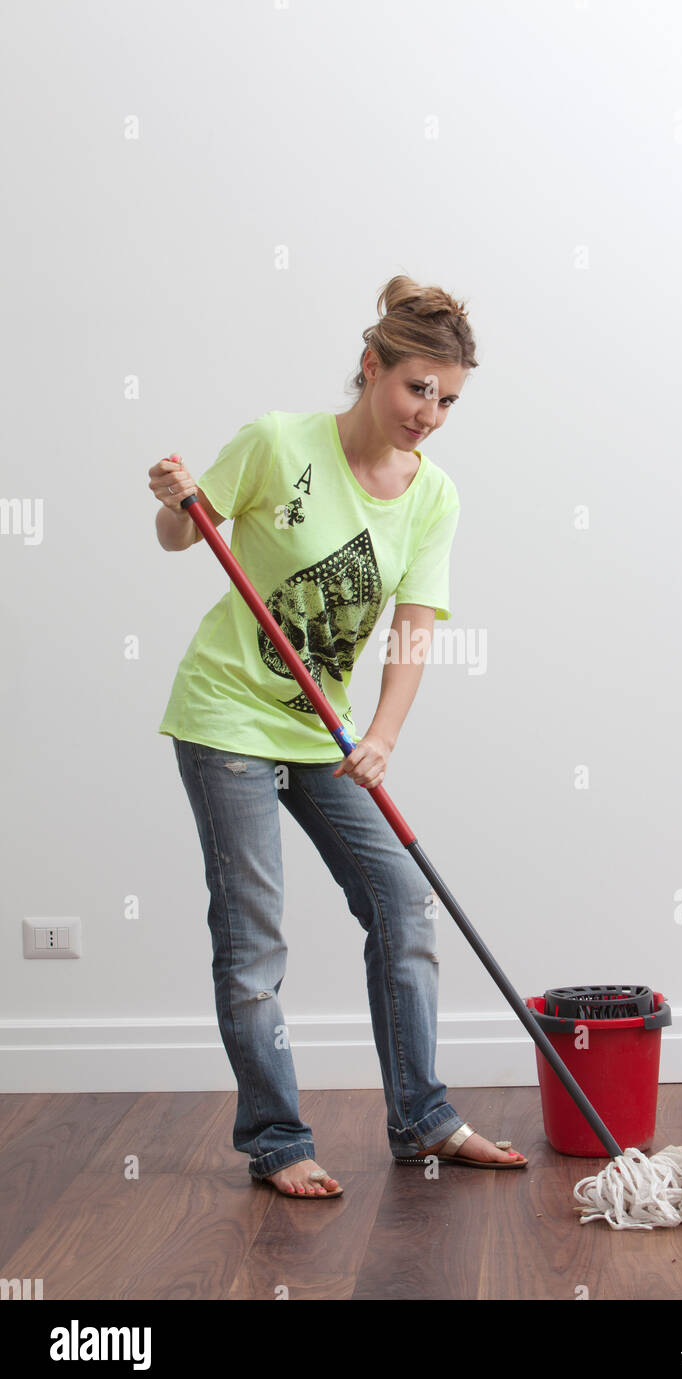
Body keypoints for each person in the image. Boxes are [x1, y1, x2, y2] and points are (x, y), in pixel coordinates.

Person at [149, 274, 527, 1198]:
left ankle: (423, 1118)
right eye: (416, 389)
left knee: (403, 907)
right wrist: (177, 497)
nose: (430, 413)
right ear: (372, 367)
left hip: (323, 731)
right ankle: (278, 1142)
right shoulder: (280, 442)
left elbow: (412, 630)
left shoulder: (432, 496)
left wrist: (382, 738)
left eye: (448, 399)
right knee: (255, 943)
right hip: (227, 716)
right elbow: (177, 536)